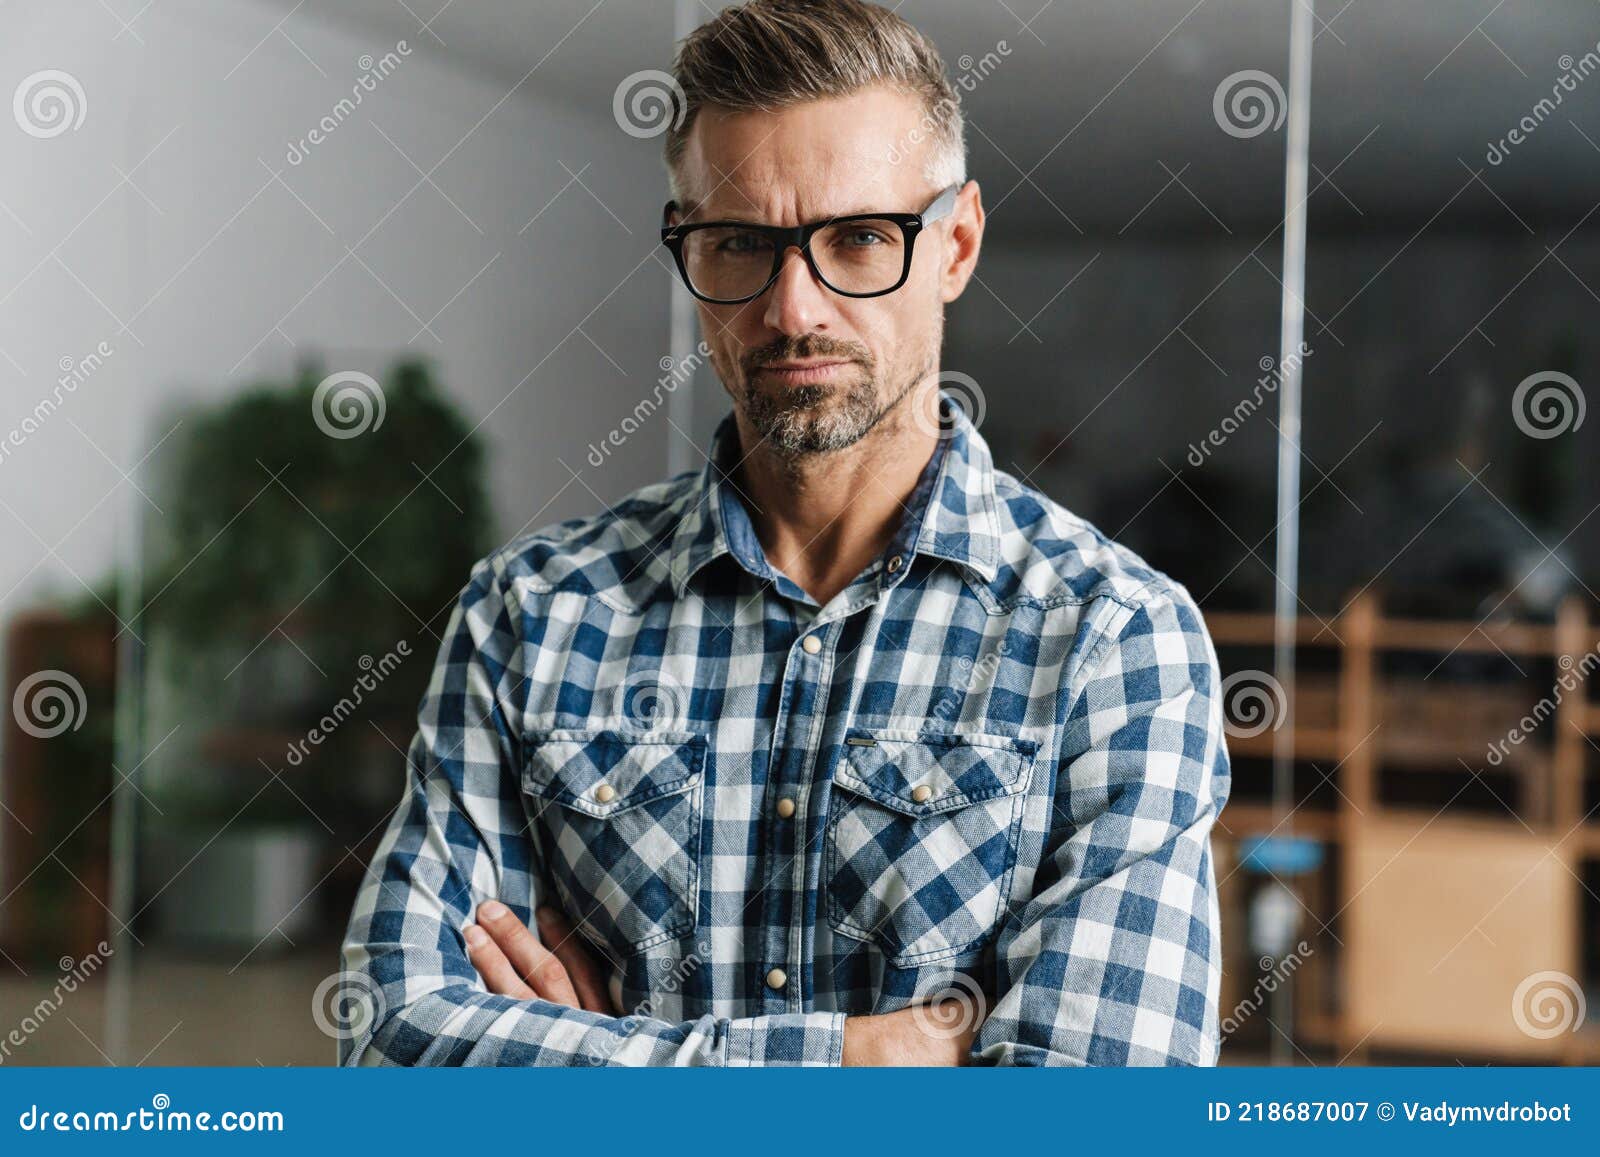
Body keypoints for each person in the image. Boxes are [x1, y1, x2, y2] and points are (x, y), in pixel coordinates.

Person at [339, 0, 1229, 1066]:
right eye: (738, 244)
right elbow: (390, 1046)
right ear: (688, 248)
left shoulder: (1114, 641)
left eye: (858, 238)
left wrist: (597, 1054)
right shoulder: (530, 616)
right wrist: (861, 1057)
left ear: (954, 244)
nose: (793, 307)